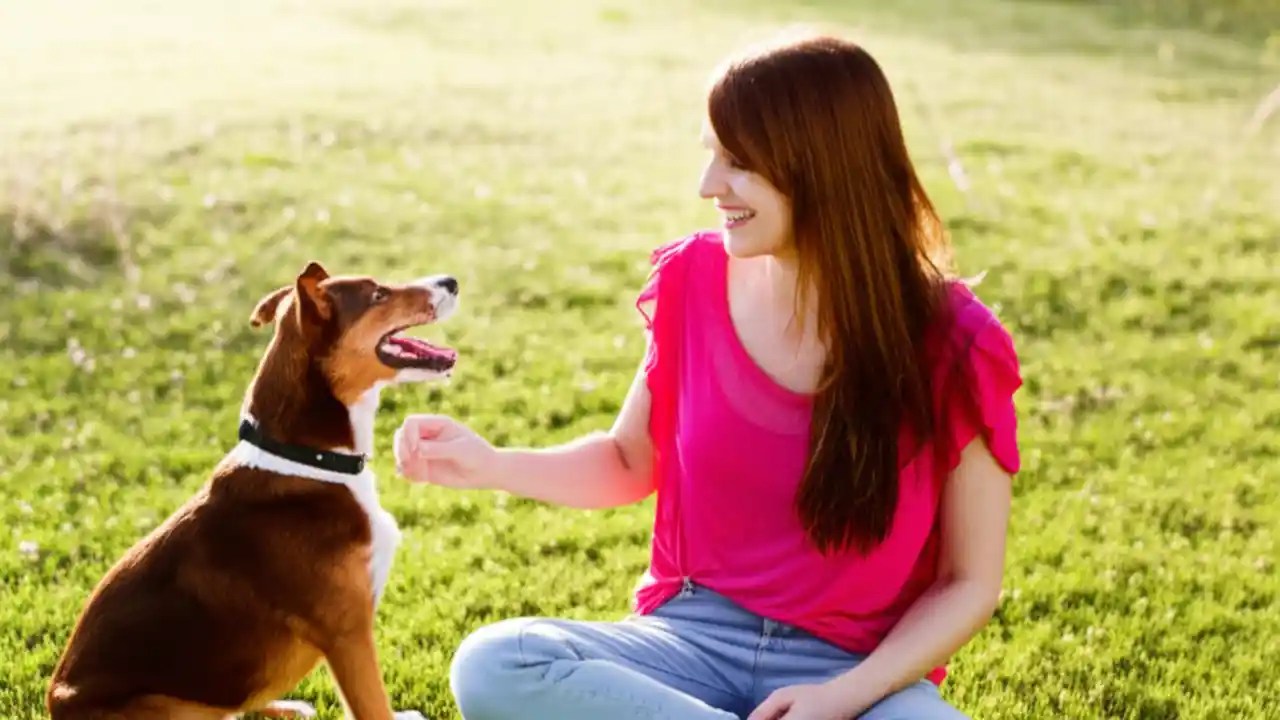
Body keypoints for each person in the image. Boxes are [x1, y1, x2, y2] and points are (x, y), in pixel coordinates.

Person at [394, 31, 1022, 720]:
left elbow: (968, 583)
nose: (707, 187)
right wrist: (490, 464)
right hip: (687, 639)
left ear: (821, 167)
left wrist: (842, 697)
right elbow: (631, 459)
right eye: (710, 155)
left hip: (854, 672)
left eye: (738, 163)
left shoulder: (960, 343)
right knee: (497, 662)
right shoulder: (692, 281)